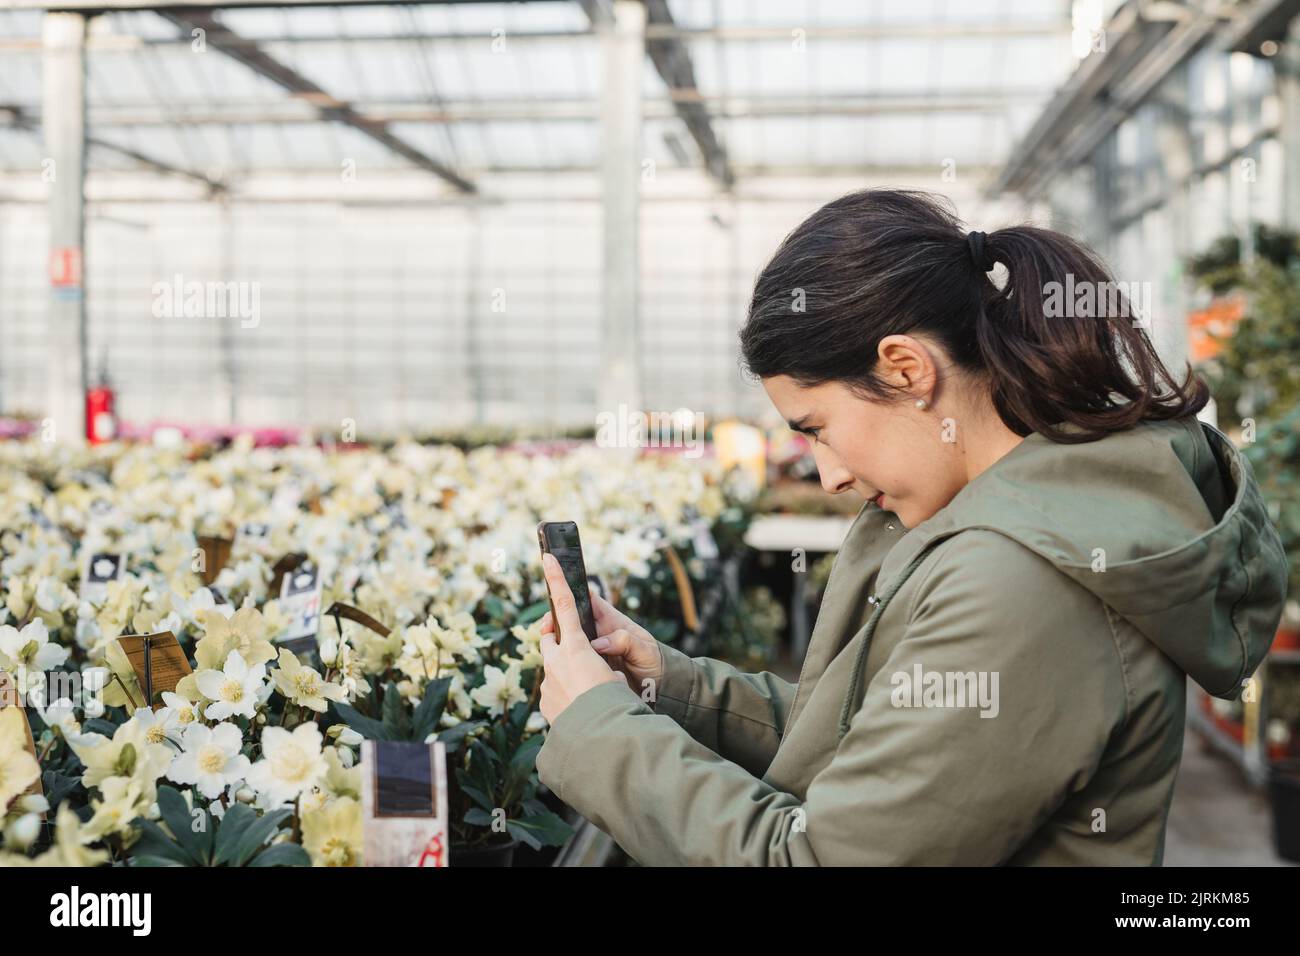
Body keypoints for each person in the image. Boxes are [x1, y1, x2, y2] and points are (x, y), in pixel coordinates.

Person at [533, 189, 1289, 866]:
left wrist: (601, 733)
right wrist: (668, 686)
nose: (825, 475)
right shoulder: (1007, 519)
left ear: (905, 369)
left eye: (819, 428)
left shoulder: (1025, 582)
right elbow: (872, 742)